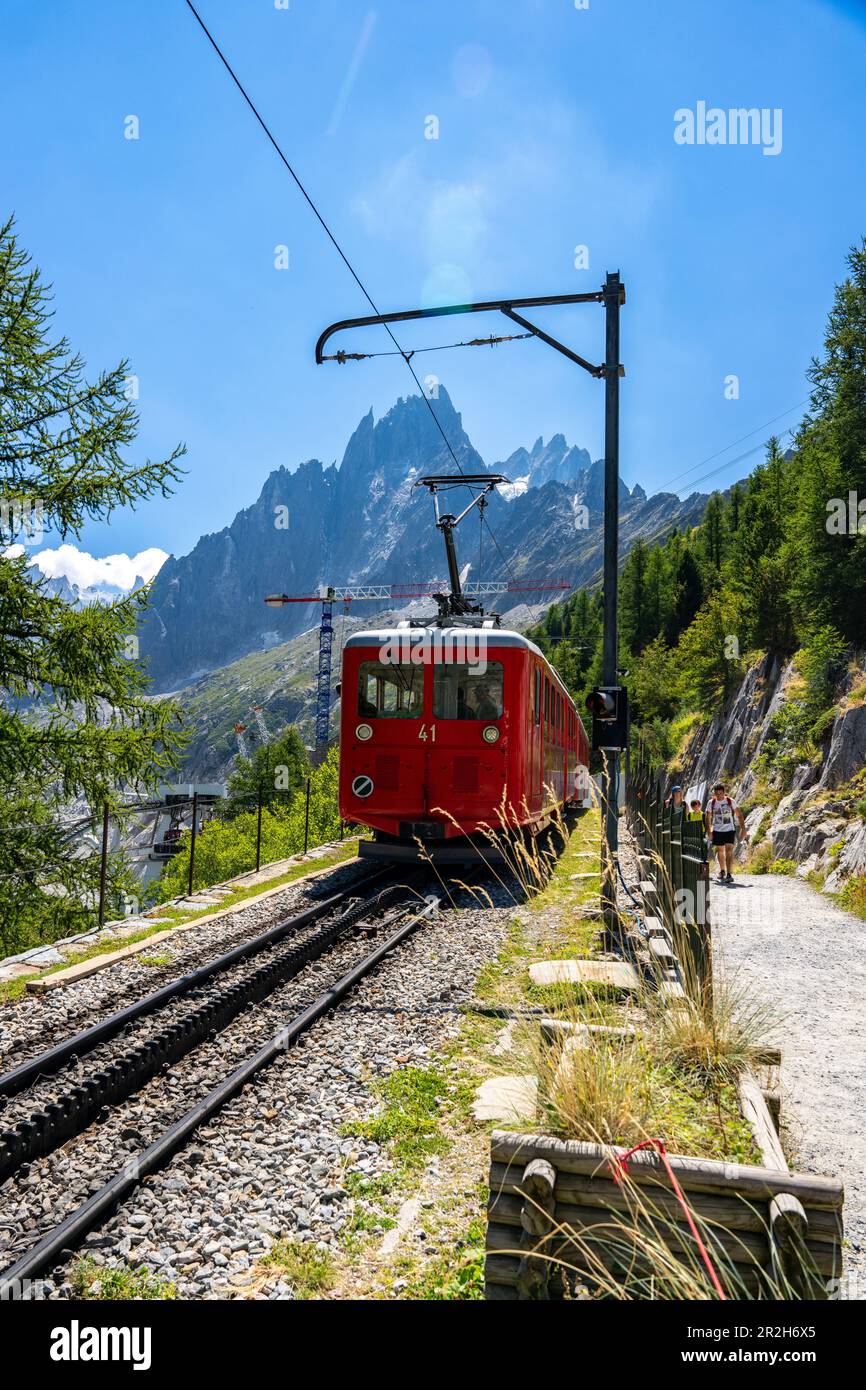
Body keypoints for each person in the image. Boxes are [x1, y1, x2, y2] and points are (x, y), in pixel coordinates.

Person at [704, 781, 745, 884]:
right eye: (717, 794)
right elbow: (707, 817)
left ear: (724, 792)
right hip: (717, 830)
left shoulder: (731, 801)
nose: (719, 795)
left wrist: (743, 829)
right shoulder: (711, 803)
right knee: (720, 851)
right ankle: (722, 870)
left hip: (729, 830)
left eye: (720, 793)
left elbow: (739, 815)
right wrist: (709, 831)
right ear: (714, 794)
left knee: (729, 851)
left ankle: (729, 874)